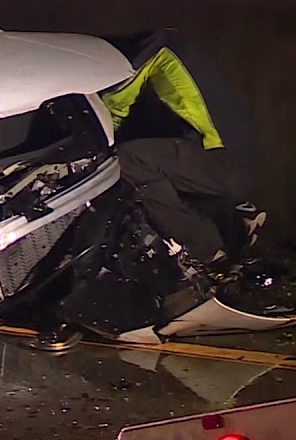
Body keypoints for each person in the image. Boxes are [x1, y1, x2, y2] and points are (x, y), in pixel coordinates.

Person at [100, 29, 266, 269]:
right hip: (236, 160)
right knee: (159, 156)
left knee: (130, 160)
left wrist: (103, 137)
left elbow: (117, 95)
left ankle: (205, 249)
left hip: (225, 160)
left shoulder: (156, 48)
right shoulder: (181, 50)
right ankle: (234, 223)